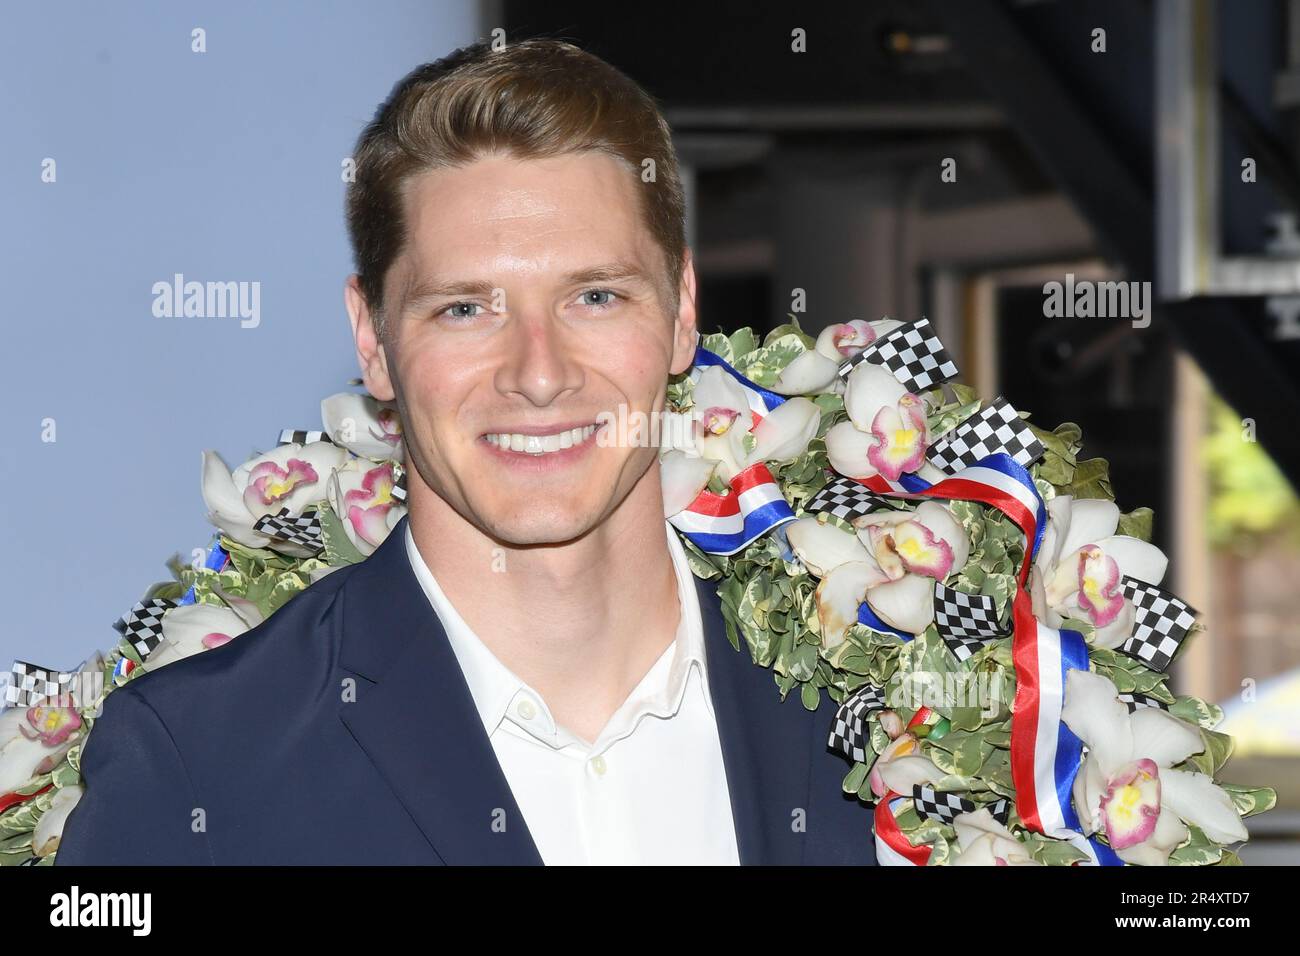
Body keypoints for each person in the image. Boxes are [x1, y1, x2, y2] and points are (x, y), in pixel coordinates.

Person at [54, 37, 876, 865]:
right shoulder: (199, 766)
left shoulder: (884, 707)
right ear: (371, 337)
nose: (540, 374)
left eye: (595, 296)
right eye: (463, 309)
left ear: (680, 310)